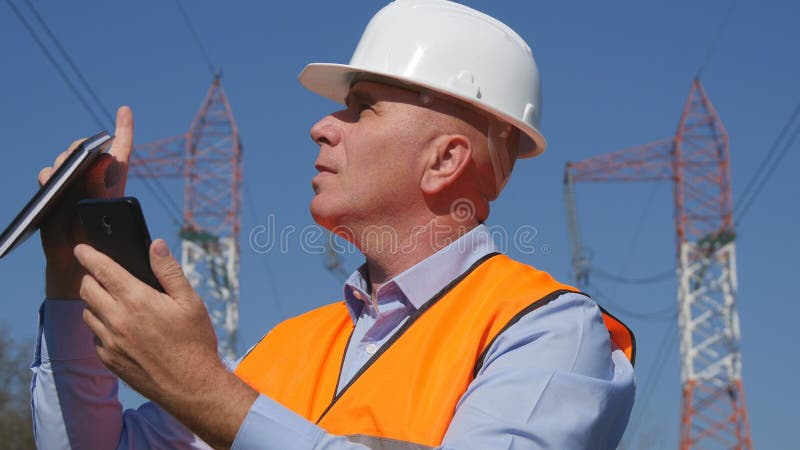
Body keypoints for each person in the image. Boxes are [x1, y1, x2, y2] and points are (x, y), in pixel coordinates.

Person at [31, 1, 635, 449]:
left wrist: (205, 393)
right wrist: (68, 276)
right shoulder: (283, 350)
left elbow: (221, 405)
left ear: (445, 160)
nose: (322, 125)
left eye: (362, 105)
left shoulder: (549, 331)